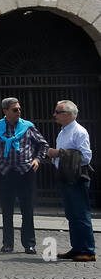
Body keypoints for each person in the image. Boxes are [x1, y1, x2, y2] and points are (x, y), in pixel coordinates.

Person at [0, 96, 48, 254]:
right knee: (6, 211)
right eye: (15, 109)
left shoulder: (28, 127)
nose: (19, 112)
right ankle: (8, 243)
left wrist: (37, 160)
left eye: (20, 109)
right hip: (5, 174)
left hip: (25, 173)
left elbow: (43, 145)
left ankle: (29, 244)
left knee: (27, 210)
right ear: (5, 111)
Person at [47, 99, 94, 262]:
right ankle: (77, 248)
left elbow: (86, 157)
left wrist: (59, 153)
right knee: (72, 214)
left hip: (77, 177)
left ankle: (88, 250)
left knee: (81, 213)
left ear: (67, 114)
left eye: (57, 112)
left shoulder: (79, 132)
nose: (54, 115)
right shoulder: (63, 131)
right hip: (65, 176)